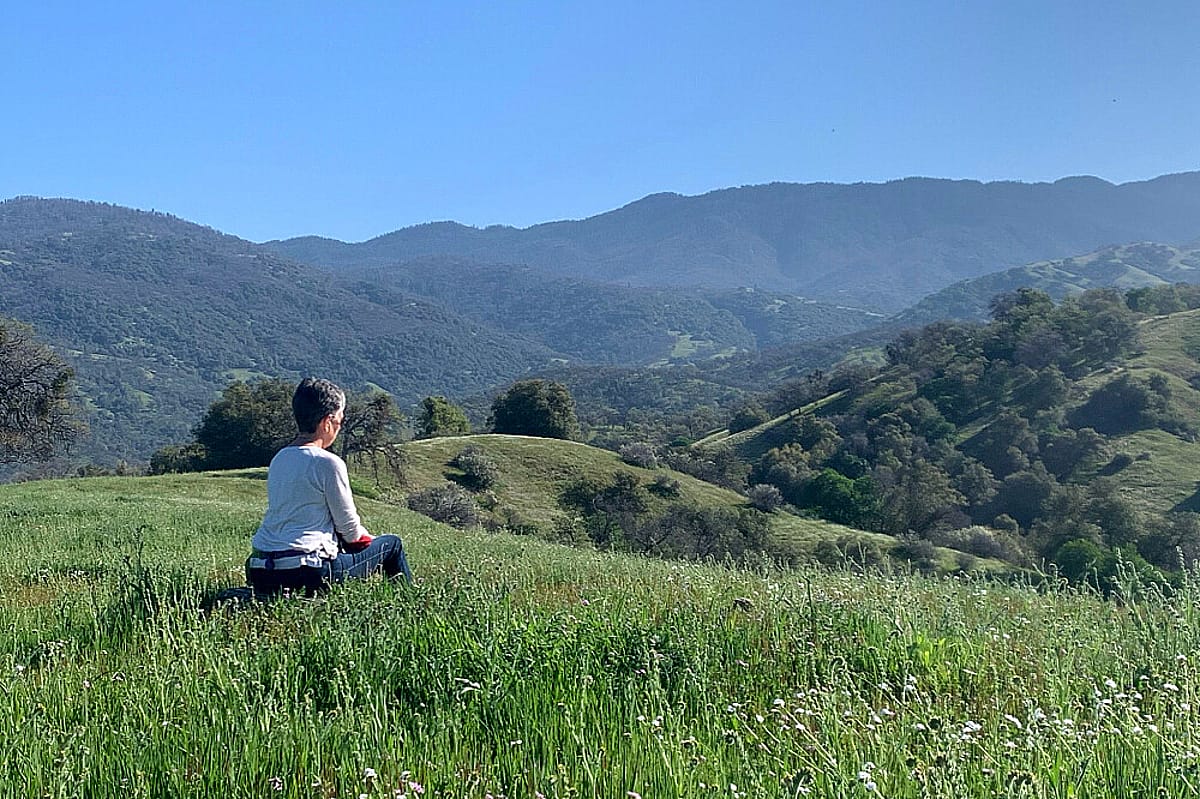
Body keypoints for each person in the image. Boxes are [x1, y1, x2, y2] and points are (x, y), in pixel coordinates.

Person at [246, 377, 412, 597]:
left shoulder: (280, 458)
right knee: (392, 545)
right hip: (308, 570)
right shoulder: (328, 463)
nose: (339, 428)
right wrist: (368, 541)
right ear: (327, 422)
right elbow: (350, 531)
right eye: (339, 421)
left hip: (261, 569)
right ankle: (410, 601)